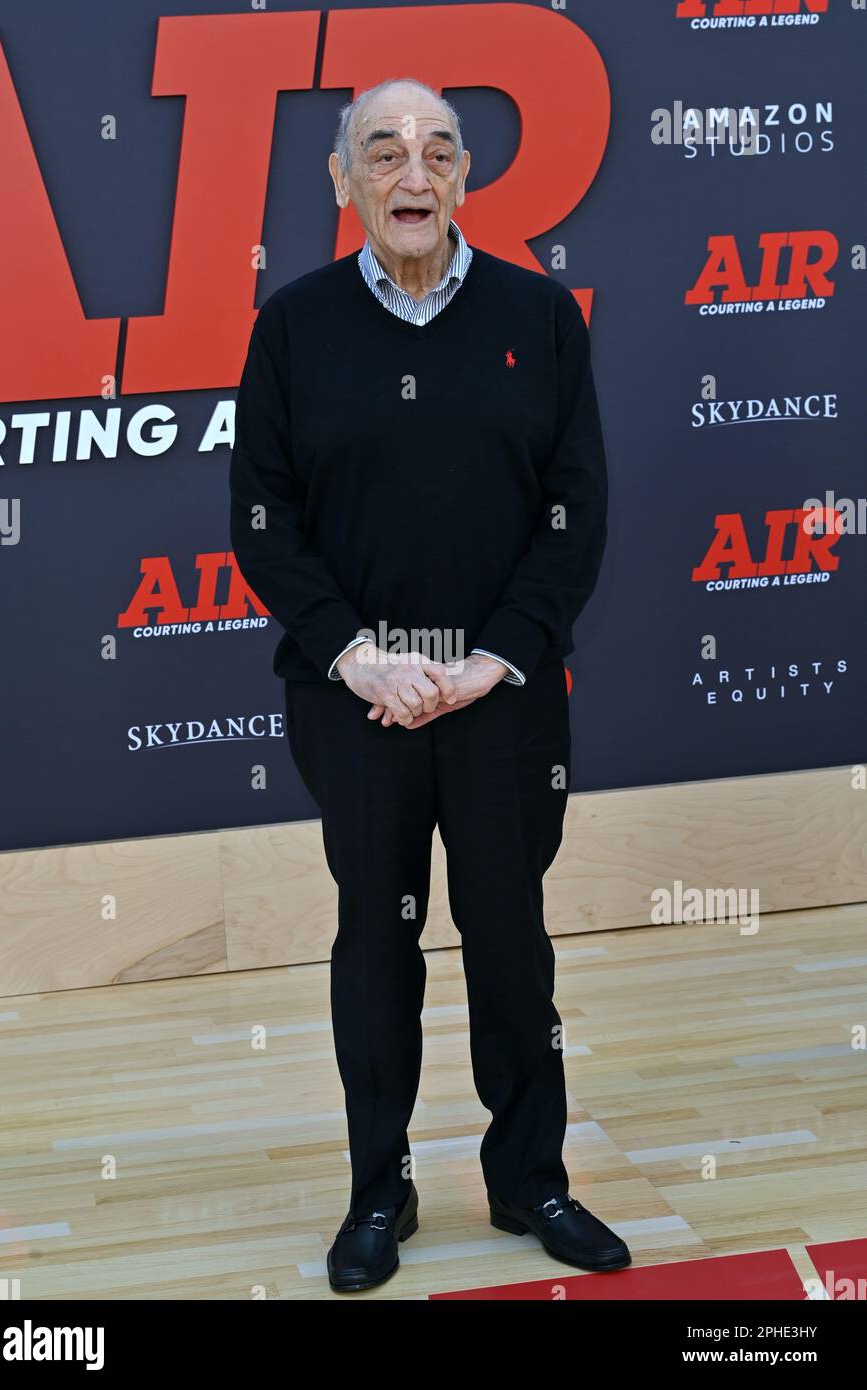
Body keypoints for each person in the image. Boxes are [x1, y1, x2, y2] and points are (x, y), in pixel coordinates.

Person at [229, 76, 629, 1293]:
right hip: (353, 699)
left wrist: (488, 660)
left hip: (502, 698)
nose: (415, 173)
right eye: (385, 151)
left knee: (511, 939)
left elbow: (574, 512)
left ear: (464, 176)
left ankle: (531, 1181)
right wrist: (361, 655)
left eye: (440, 151)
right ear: (342, 181)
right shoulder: (292, 327)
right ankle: (376, 1189)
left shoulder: (538, 316)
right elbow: (262, 517)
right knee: (376, 941)